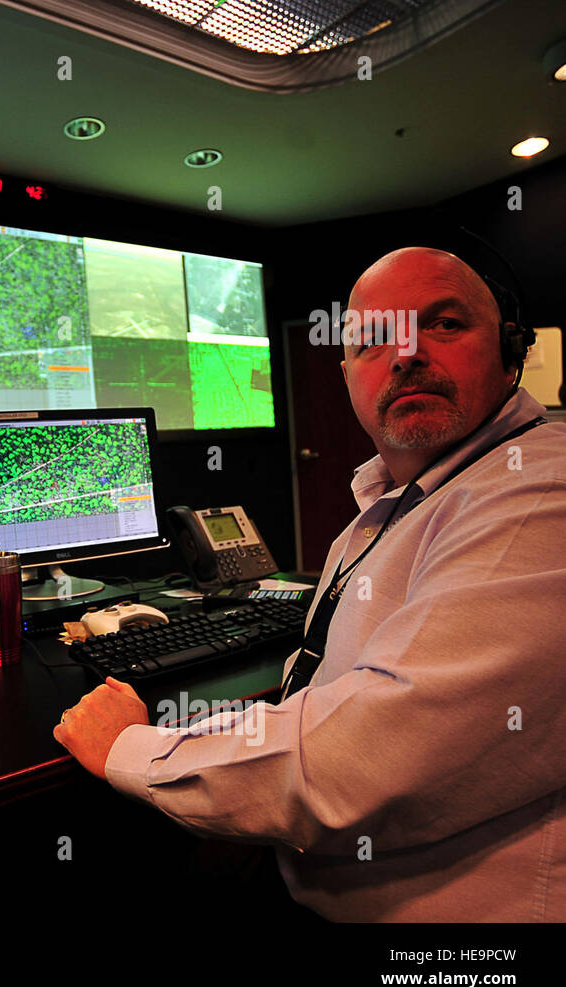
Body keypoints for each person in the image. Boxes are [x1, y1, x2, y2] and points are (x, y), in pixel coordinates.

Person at [54, 247, 566, 921]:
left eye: (443, 324)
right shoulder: (393, 503)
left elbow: (366, 758)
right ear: (348, 373)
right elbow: (328, 694)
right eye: (374, 338)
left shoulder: (536, 490)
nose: (406, 353)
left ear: (509, 353)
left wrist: (134, 746)